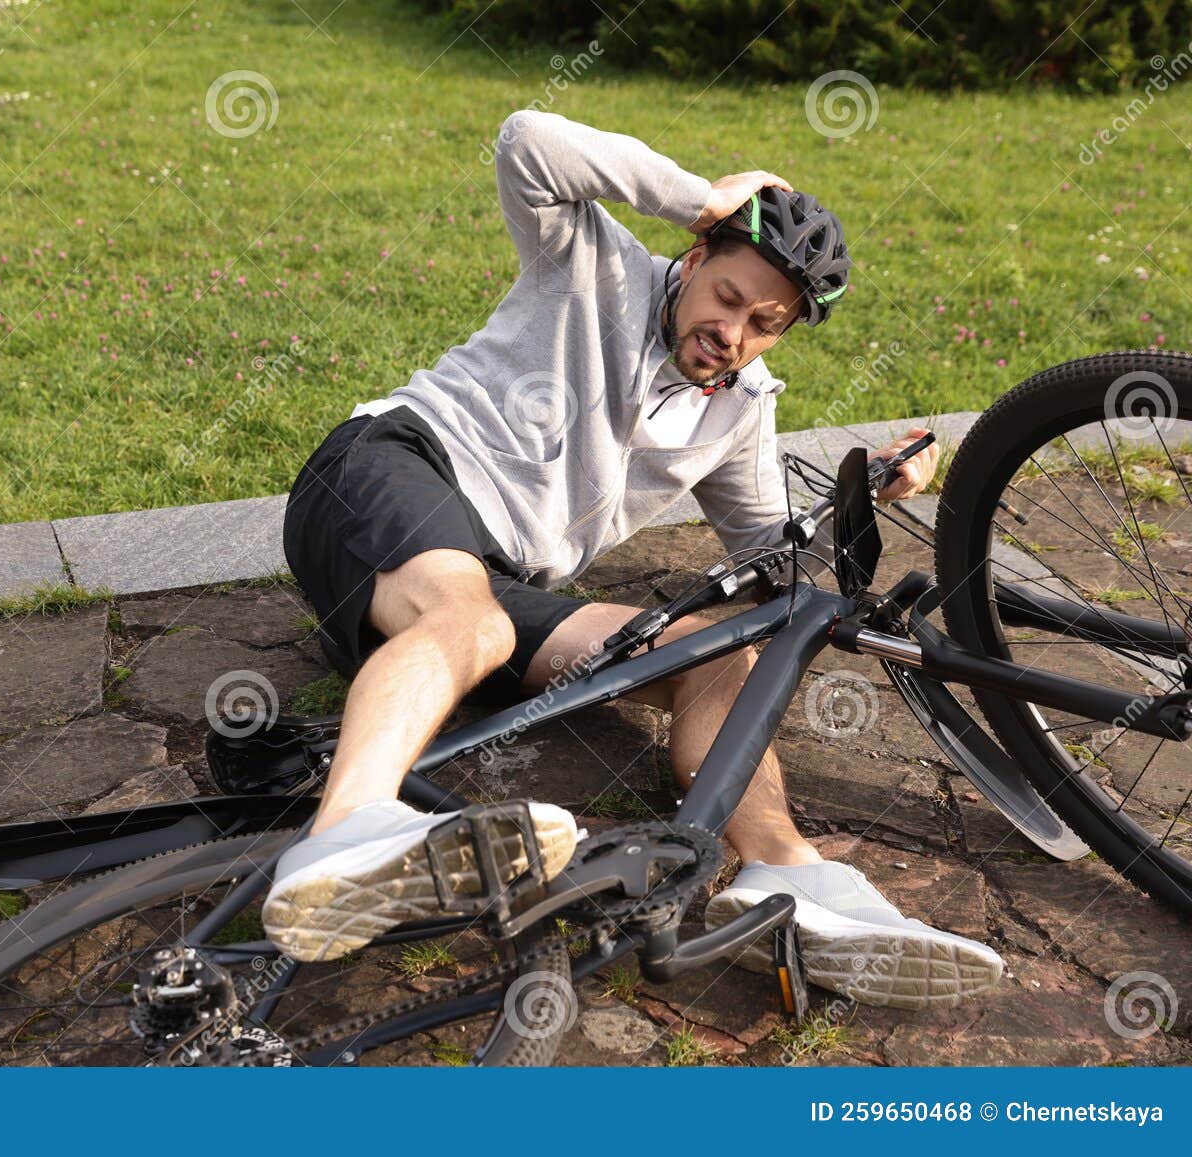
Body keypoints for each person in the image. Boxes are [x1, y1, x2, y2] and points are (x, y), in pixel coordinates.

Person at [261, 108, 1003, 1010]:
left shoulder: (738, 410)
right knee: (471, 616)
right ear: (692, 260)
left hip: (492, 592)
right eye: (728, 297)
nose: (735, 332)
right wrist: (696, 196)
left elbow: (774, 564)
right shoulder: (593, 267)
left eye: (765, 323)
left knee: (719, 656)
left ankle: (786, 877)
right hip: (390, 469)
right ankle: (342, 836)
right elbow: (525, 140)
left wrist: (872, 485)